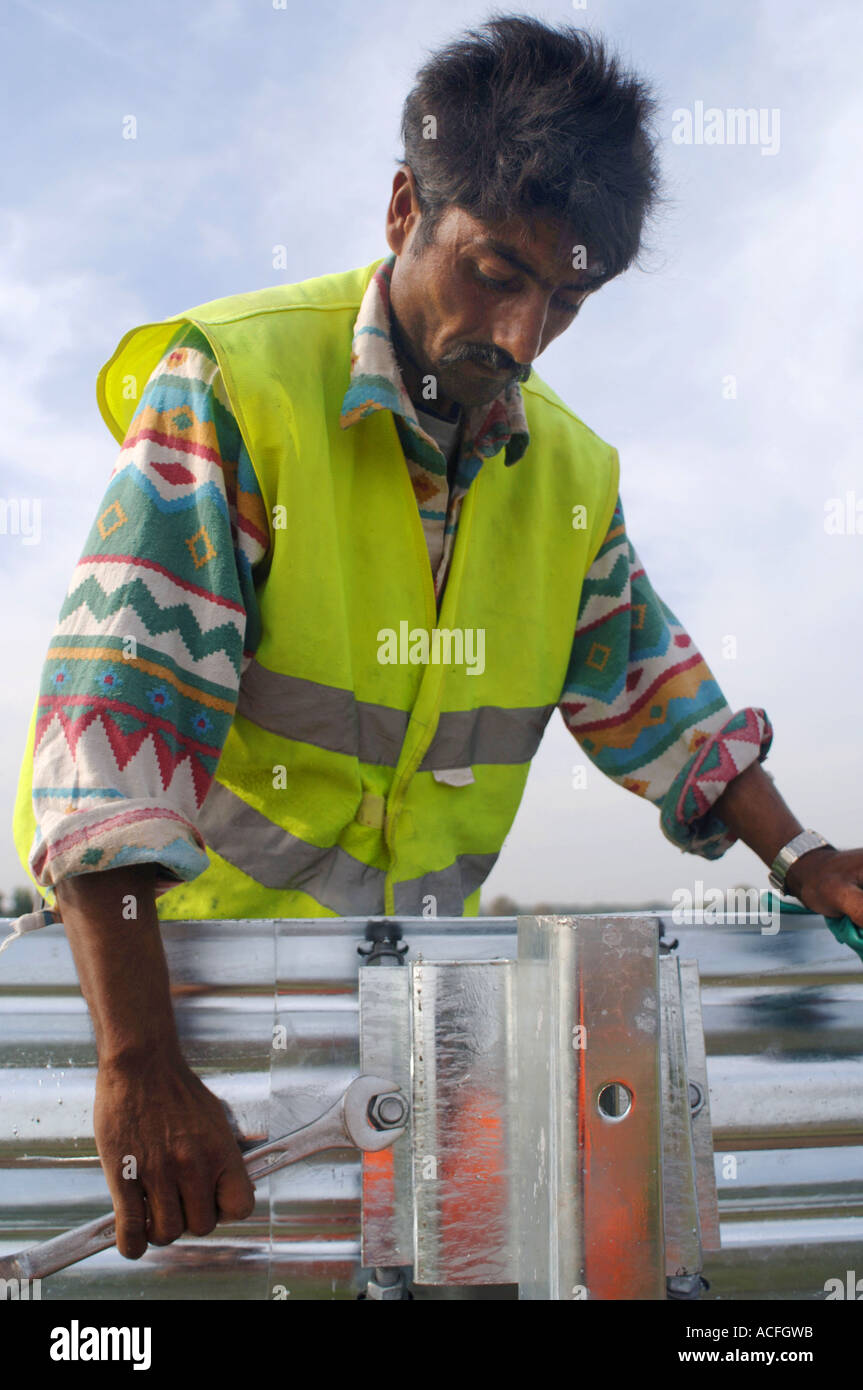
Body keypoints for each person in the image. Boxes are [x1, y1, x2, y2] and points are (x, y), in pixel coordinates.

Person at [9, 16, 863, 1261]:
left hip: (415, 1022)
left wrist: (802, 855)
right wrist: (137, 1060)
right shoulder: (237, 392)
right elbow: (110, 736)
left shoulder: (562, 469)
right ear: (405, 206)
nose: (520, 337)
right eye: (494, 274)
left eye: (564, 301)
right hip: (193, 1012)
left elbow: (656, 690)